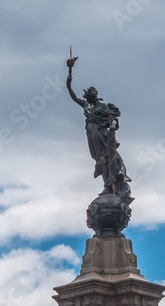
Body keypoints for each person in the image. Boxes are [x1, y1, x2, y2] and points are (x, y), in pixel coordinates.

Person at [66, 56, 132, 204]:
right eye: (88, 92)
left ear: (96, 94)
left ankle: (111, 184)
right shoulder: (86, 106)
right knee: (100, 160)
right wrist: (69, 80)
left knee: (108, 157)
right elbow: (72, 96)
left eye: (92, 91)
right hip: (91, 133)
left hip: (102, 133)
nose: (89, 94)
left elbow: (114, 117)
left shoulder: (104, 106)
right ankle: (107, 184)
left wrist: (113, 125)